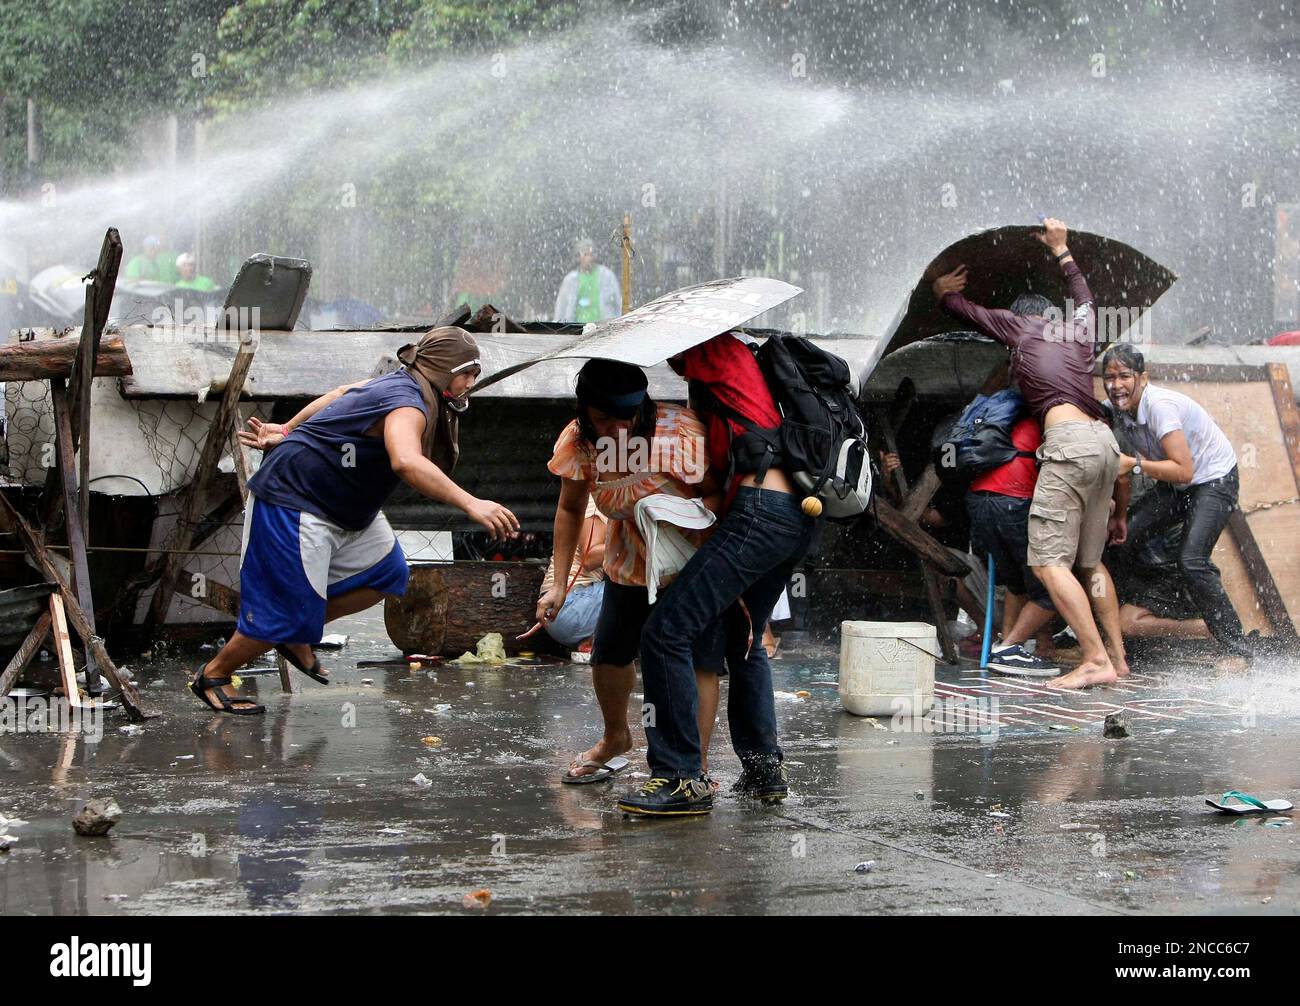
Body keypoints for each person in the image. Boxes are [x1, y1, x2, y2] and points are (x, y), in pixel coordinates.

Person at [189, 327, 518, 714]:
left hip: (347, 508)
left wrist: (287, 429)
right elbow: (406, 460)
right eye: (468, 373)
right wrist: (471, 503)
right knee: (283, 613)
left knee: (387, 574)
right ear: (444, 371)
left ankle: (297, 632)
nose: (471, 384)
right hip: (298, 499)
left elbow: (341, 393)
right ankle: (215, 674)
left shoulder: (403, 381)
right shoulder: (407, 402)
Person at [618, 332, 818, 816]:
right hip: (797, 511)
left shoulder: (717, 349)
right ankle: (764, 769)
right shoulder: (751, 374)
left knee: (666, 630)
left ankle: (680, 776)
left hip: (761, 511)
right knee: (744, 636)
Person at [932, 217, 1128, 689]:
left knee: (1045, 564)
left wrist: (943, 292)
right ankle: (1118, 660)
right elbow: (1086, 297)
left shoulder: (1022, 328)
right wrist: (1062, 250)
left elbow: (969, 312)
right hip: (1104, 446)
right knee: (1088, 563)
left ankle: (1094, 659)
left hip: (1069, 448)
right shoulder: (1081, 332)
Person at [536, 358, 727, 784]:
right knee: (609, 654)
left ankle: (695, 766)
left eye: (627, 417)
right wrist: (562, 585)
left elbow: (718, 496)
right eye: (604, 419)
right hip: (627, 562)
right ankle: (615, 738)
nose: (618, 429)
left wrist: (679, 513)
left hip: (689, 561)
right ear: (584, 410)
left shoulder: (680, 431)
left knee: (699, 661)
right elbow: (569, 510)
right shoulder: (579, 441)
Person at [1101, 343, 1252, 669]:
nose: (1116, 385)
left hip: (1213, 480)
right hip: (1177, 485)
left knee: (1192, 559)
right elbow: (1125, 473)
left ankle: (1236, 648)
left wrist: (1135, 464)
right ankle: (1126, 628)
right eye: (1109, 377)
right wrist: (1122, 518)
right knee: (1119, 542)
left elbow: (1184, 469)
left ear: (1143, 377)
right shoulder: (1116, 408)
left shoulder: (1160, 407)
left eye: (1125, 376)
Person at [960, 366, 1060, 674]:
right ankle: (1008, 648)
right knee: (1053, 591)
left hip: (979, 502)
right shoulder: (1043, 415)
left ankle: (1003, 644)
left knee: (1016, 585)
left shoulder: (994, 411)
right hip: (1013, 503)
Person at [536, 498, 607, 655]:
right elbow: (590, 557)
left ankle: (593, 641)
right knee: (640, 589)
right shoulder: (598, 501)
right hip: (569, 605)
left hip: (571, 609)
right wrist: (636, 543)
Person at [553, 238, 621, 324]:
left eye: (591, 254)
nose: (589, 258)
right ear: (578, 257)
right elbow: (561, 309)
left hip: (603, 329)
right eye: (585, 254)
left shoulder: (607, 276)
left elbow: (618, 304)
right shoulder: (570, 280)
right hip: (577, 330)